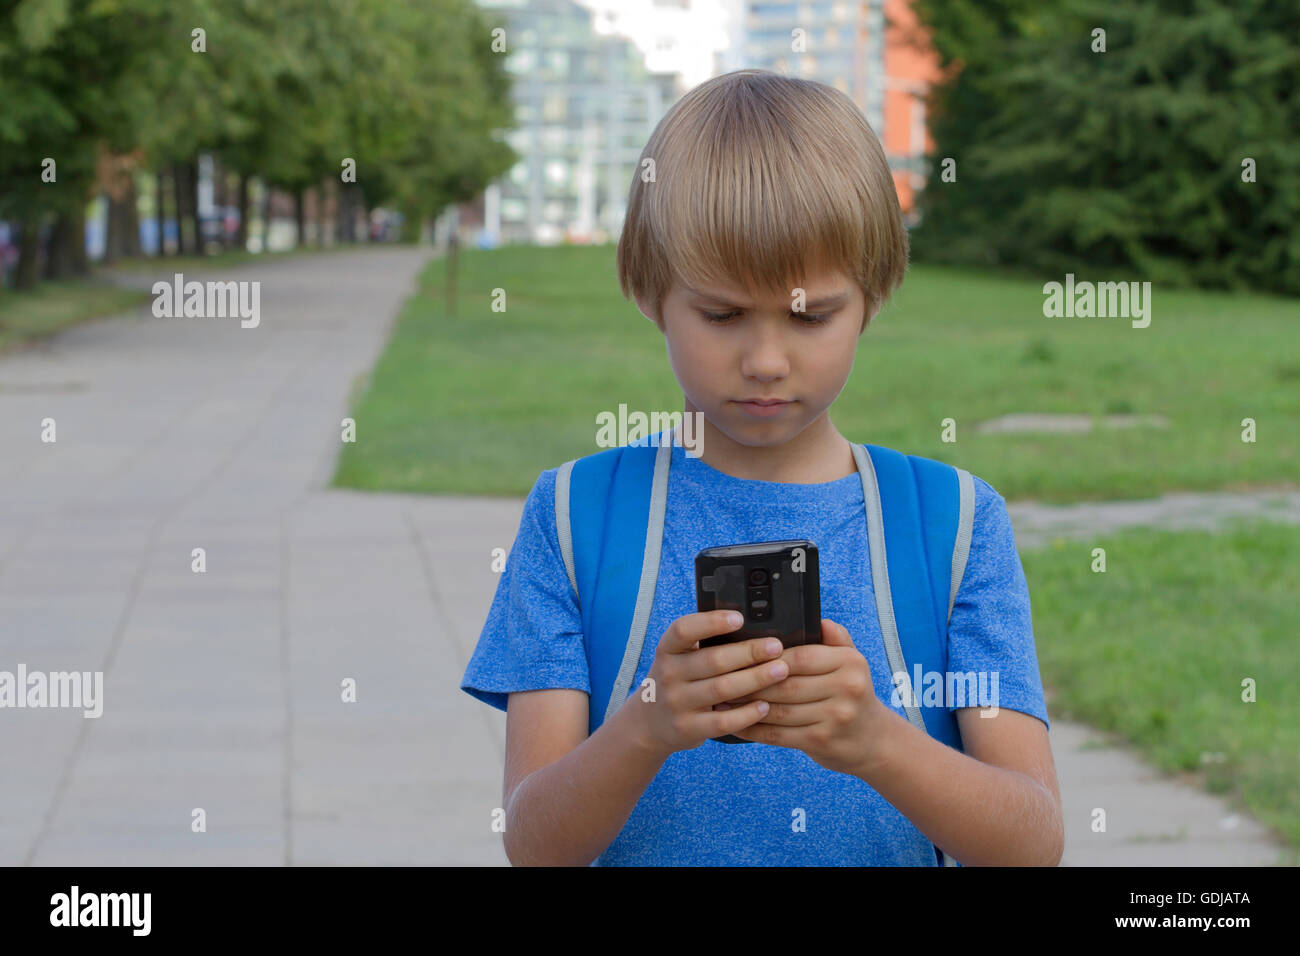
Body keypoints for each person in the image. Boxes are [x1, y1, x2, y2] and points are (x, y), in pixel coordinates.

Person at [460, 69, 1062, 866]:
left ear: (874, 294)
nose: (767, 360)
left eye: (811, 315)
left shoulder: (952, 523)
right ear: (647, 291)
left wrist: (877, 740)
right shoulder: (575, 516)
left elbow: (1031, 841)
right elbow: (535, 843)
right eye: (722, 314)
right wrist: (646, 725)